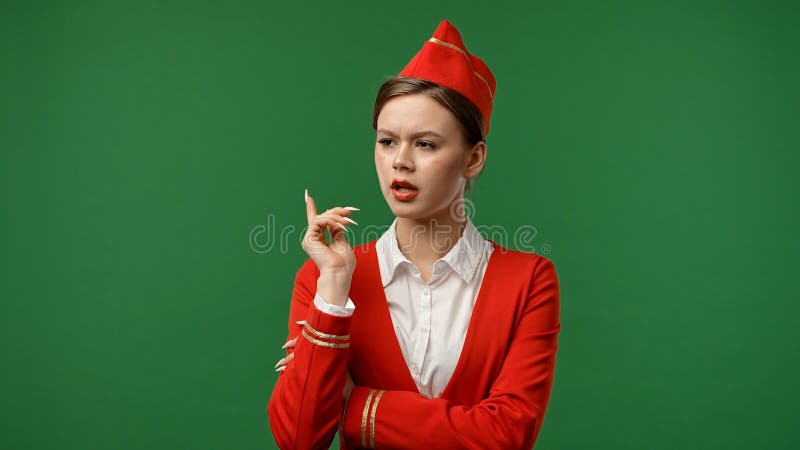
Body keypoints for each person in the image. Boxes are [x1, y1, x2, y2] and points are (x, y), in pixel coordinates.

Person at [267, 19, 561, 450]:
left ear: (474, 158)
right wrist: (331, 294)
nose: (400, 161)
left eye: (425, 144)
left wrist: (356, 406)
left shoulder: (528, 281)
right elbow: (297, 439)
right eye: (387, 141)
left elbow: (506, 437)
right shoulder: (324, 279)